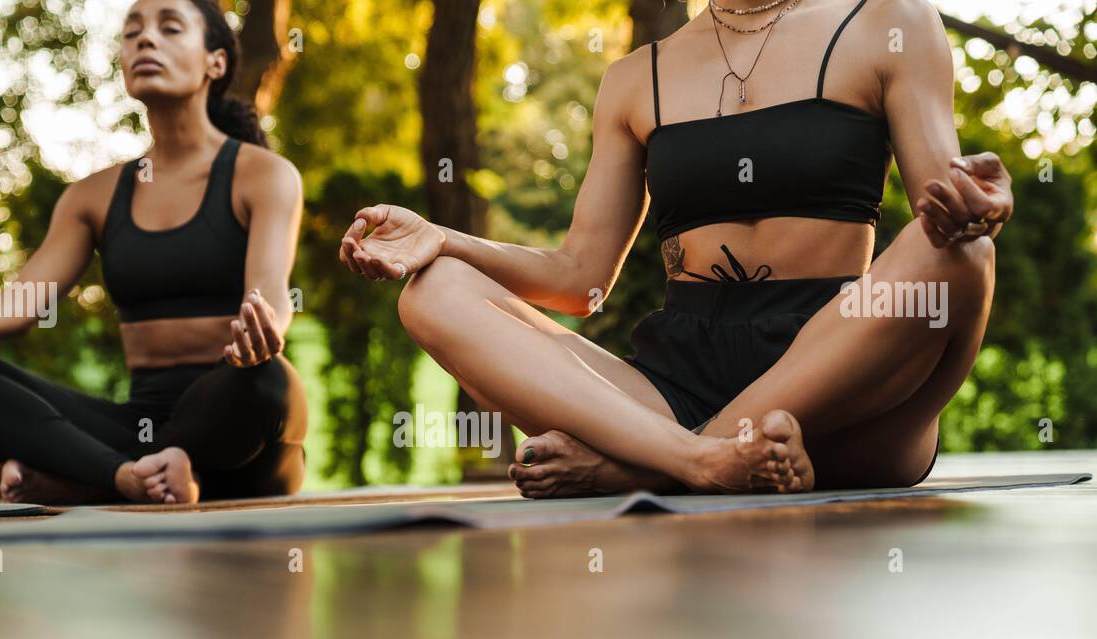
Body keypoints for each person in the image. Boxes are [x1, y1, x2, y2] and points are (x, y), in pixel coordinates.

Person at [338, 0, 1012, 496]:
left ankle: (649, 466)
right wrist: (442, 240)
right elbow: (579, 279)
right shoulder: (635, 78)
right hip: (674, 385)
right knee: (435, 289)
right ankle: (701, 461)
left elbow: (945, 210)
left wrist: (983, 204)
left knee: (962, 254)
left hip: (841, 391)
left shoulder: (889, 24)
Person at [0, 0, 307, 505]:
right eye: (132, 32)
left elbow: (270, 297)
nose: (145, 40)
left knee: (265, 379)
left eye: (170, 28)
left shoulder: (263, 175)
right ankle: (129, 478)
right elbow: (14, 307)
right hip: (138, 432)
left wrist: (264, 334)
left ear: (216, 62)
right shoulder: (94, 197)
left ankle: (94, 477)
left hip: (243, 435)